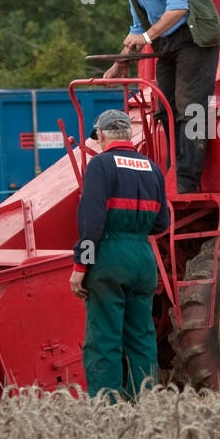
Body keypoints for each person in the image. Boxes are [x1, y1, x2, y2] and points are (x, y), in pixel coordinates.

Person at [89, 0, 220, 193]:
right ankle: (172, 170)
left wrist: (148, 38)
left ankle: (187, 182)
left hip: (194, 37)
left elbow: (178, 8)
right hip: (169, 41)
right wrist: (119, 63)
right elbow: (137, 28)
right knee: (163, 107)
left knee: (189, 108)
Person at [70, 109, 170, 401]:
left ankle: (108, 409)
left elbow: (91, 221)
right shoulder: (153, 168)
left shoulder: (100, 165)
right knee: (142, 338)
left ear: (101, 135)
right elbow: (162, 223)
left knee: (104, 340)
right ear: (128, 134)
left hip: (110, 258)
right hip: (143, 259)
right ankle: (145, 403)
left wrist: (81, 265)